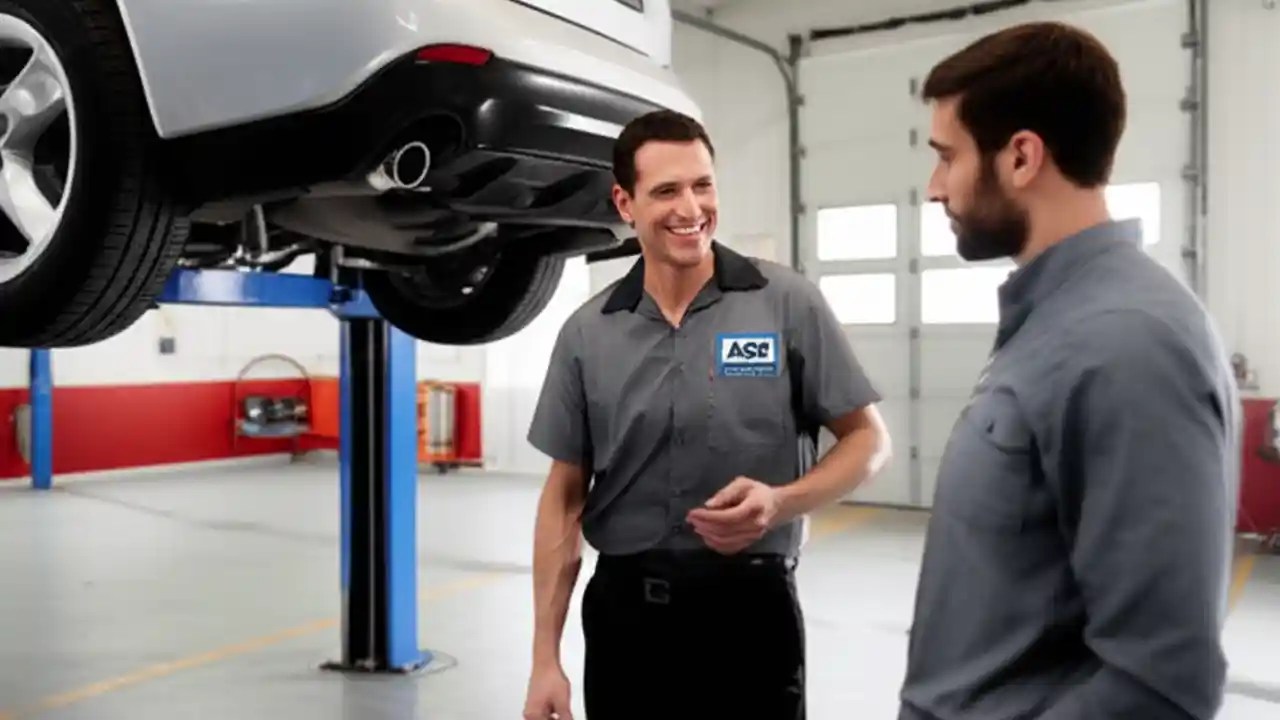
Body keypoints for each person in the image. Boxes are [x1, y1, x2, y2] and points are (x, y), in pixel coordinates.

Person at [900, 21, 1240, 720]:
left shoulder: (1126, 344)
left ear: (1021, 157)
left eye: (947, 157)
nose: (935, 189)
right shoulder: (1058, 321)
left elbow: (1161, 683)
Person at [521, 109, 891, 720]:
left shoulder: (785, 304)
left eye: (703, 185)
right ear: (625, 203)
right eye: (667, 190)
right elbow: (563, 496)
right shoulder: (588, 333)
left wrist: (781, 501)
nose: (691, 208)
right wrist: (544, 659)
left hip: (752, 620)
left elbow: (867, 441)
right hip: (627, 623)